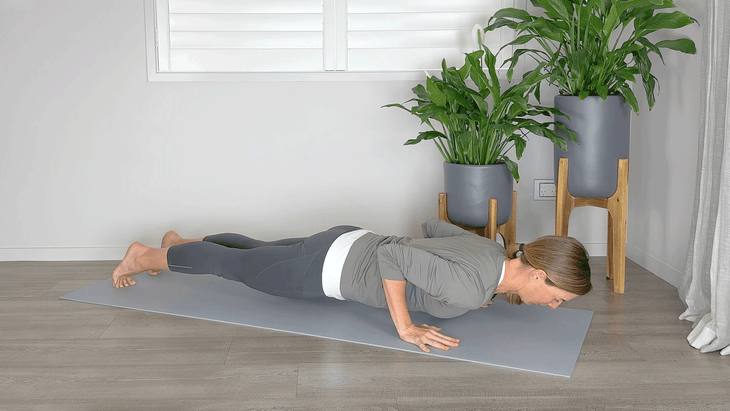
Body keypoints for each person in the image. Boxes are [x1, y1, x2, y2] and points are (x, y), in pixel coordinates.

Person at [111, 218, 592, 353]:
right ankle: (146, 256)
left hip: (346, 238)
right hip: (329, 271)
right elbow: (394, 258)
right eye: (556, 298)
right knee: (239, 268)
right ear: (538, 274)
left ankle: (179, 242)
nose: (552, 307)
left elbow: (431, 229)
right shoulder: (472, 287)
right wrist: (404, 326)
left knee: (255, 250)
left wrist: (470, 290)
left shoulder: (492, 253)